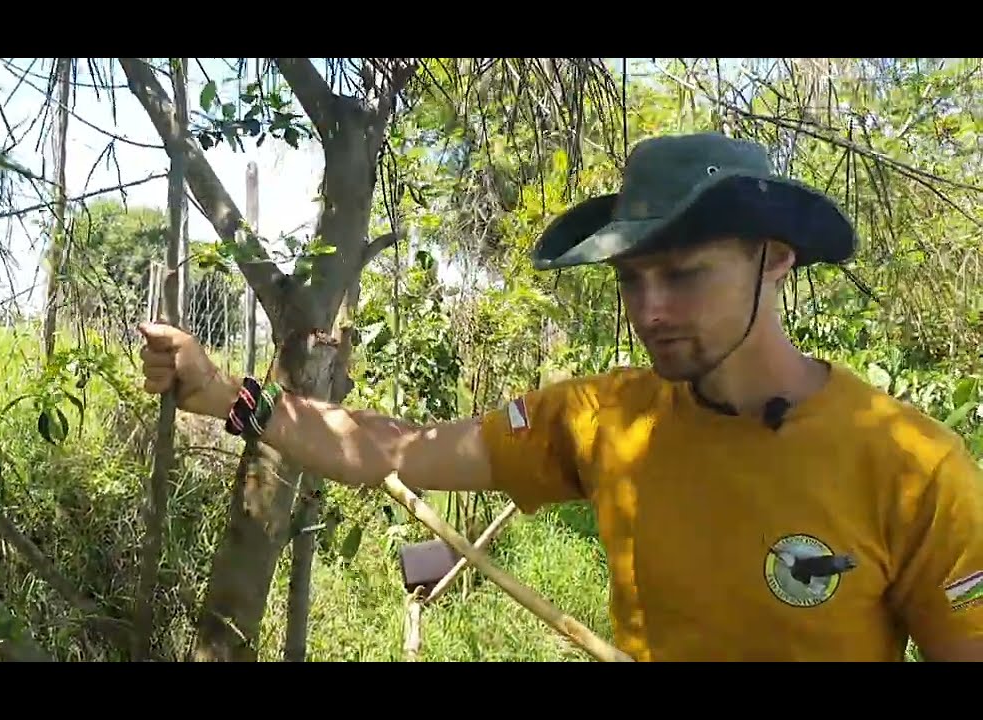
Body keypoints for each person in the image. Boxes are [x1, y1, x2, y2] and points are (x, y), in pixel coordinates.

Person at [137, 132, 983, 662]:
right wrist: (227, 394)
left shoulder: (911, 468)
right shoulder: (604, 420)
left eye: (684, 274)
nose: (650, 310)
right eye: (631, 280)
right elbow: (395, 450)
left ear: (776, 258)